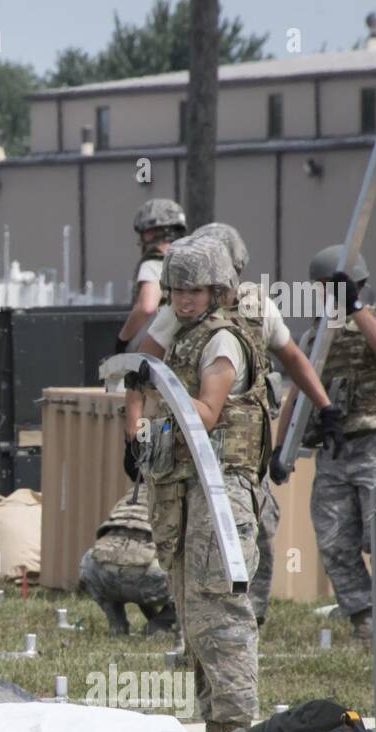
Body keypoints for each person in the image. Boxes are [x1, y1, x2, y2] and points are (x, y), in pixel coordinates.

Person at [138, 222, 346, 624]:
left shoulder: (258, 307)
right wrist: (139, 431)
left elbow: (292, 359)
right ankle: (197, 620)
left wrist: (325, 406)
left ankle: (252, 617)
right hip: (191, 450)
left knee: (257, 532)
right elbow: (145, 367)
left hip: (244, 451)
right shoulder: (181, 312)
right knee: (191, 538)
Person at [125, 235, 267, 732]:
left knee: (218, 610)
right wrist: (137, 434)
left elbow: (204, 414)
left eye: (196, 290)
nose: (185, 299)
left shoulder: (222, 340)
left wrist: (156, 428)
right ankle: (216, 731)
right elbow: (137, 370)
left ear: (219, 290)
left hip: (220, 491)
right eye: (177, 290)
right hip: (183, 485)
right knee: (190, 611)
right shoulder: (181, 330)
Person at [271, 245, 376, 641]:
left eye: (327, 287)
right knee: (333, 539)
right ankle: (364, 619)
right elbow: (297, 395)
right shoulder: (316, 334)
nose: (321, 293)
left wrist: (354, 307)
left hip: (375, 445)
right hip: (333, 450)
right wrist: (282, 450)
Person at [78, 486, 176, 639]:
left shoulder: (132, 494)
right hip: (151, 578)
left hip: (103, 576)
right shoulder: (180, 491)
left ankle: (117, 623)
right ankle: (161, 624)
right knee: (202, 573)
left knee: (91, 559)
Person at [115, 198, 187, 353]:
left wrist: (122, 340)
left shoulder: (154, 261)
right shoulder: (190, 262)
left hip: (158, 349)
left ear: (150, 232)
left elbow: (147, 307)